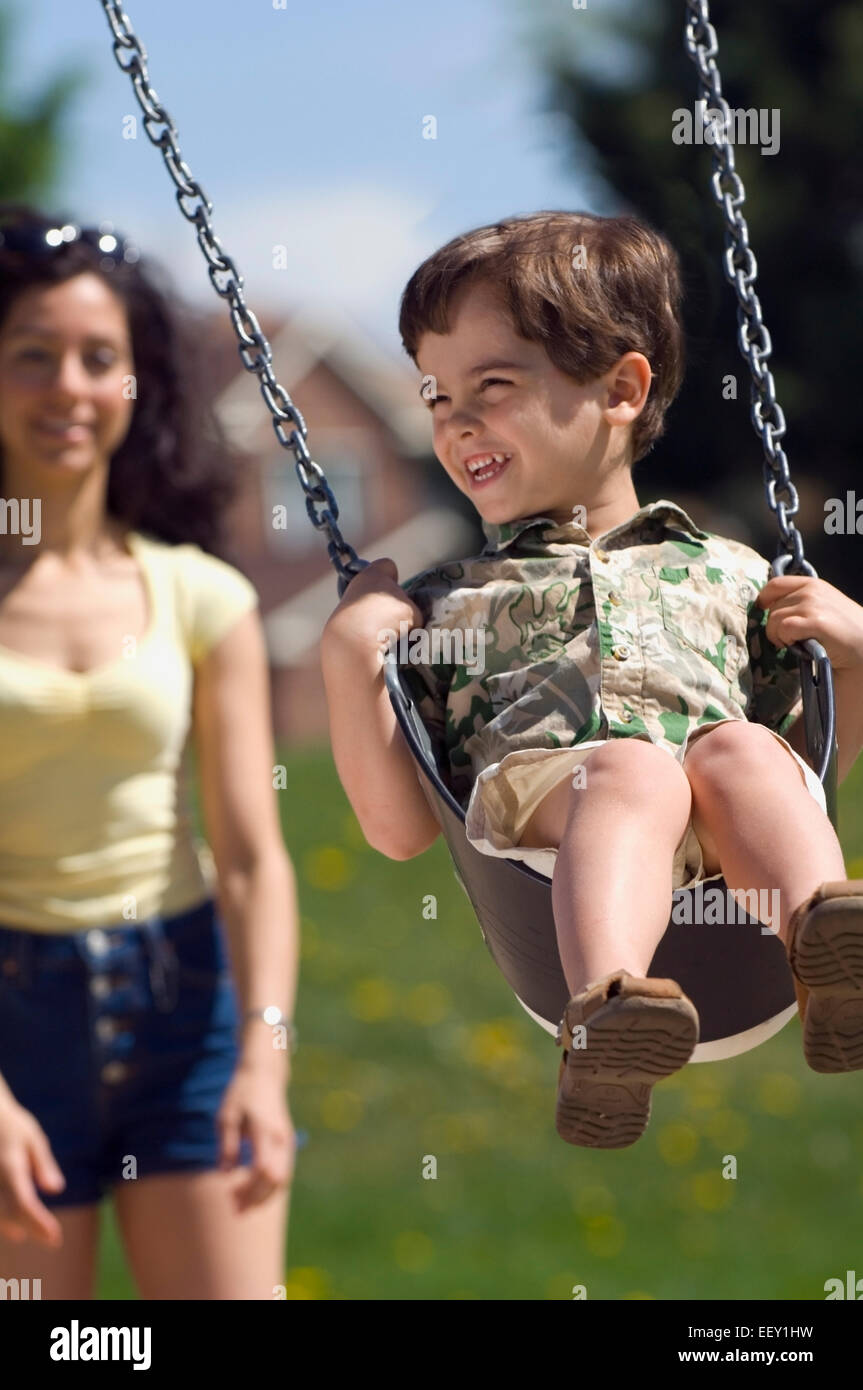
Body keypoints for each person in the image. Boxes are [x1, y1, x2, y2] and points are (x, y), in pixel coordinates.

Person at [321, 210, 863, 1150]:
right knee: (628, 771)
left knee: (742, 750)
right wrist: (349, 660)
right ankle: (609, 1016)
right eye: (436, 394)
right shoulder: (444, 603)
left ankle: (830, 956)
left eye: (491, 385)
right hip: (545, 814)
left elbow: (815, 769)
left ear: (620, 388)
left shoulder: (732, 572)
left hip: (721, 872)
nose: (455, 420)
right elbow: (399, 829)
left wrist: (852, 658)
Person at [0, 206, 298, 1297]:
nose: (68, 387)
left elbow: (253, 860)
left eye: (98, 358)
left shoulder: (200, 597)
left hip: (186, 1005)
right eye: (32, 355)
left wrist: (263, 1058)